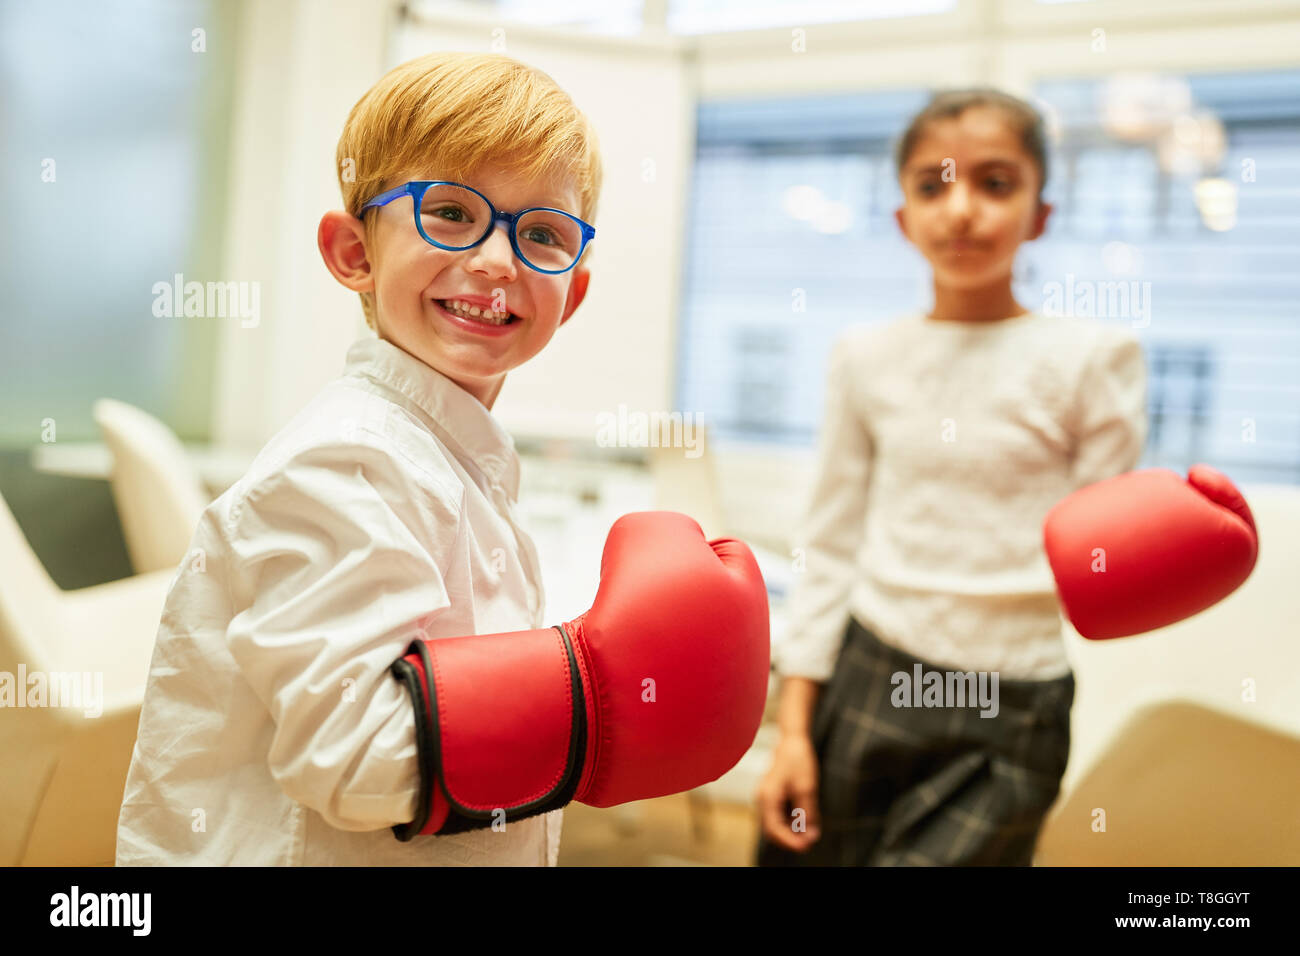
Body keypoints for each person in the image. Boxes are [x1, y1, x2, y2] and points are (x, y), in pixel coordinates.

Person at [115, 52, 604, 866]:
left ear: (573, 293)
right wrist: (595, 689)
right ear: (354, 255)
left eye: (543, 233)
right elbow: (355, 760)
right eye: (449, 212)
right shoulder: (349, 462)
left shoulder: (447, 451)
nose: (496, 259)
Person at [755, 88, 1148, 866]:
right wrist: (793, 730)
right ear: (902, 216)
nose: (960, 208)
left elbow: (1102, 570)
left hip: (1016, 700)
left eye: (995, 183)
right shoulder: (864, 355)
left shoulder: (1095, 360)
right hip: (871, 670)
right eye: (932, 185)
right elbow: (828, 544)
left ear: (1041, 213)